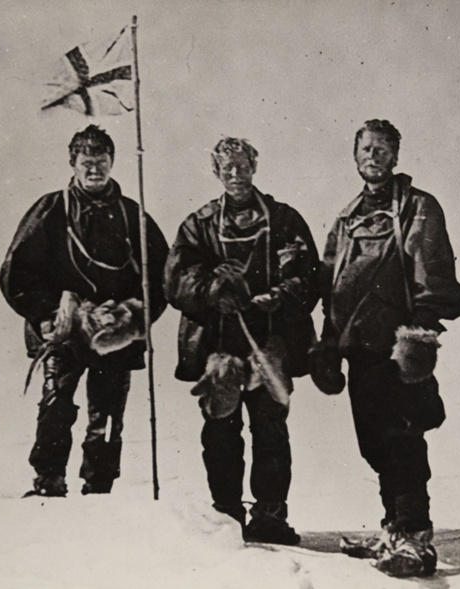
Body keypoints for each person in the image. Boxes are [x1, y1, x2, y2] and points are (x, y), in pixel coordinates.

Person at [312, 119, 460, 576]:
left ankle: (416, 539)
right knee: (374, 443)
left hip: (396, 349)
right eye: (366, 149)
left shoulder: (417, 207)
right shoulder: (347, 217)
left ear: (396, 156)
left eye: (382, 149)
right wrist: (328, 341)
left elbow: (432, 268)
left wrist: (419, 334)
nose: (373, 156)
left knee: (403, 438)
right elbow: (332, 284)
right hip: (357, 346)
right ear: (355, 156)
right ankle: (392, 530)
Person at [164, 137, 320, 545]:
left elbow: (309, 275)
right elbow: (175, 278)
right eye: (226, 168)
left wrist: (280, 296)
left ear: (255, 166)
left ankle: (270, 515)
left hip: (269, 343)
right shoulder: (198, 225)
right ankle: (227, 515)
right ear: (216, 173)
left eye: (242, 166)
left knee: (270, 429)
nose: (235, 175)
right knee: (219, 432)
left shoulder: (284, 220)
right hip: (219, 346)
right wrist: (212, 289)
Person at [0, 125, 169, 497]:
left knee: (107, 413)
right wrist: (49, 310)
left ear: (112, 163)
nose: (95, 170)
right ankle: (49, 479)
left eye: (102, 162)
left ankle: (99, 484)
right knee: (56, 401)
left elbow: (162, 276)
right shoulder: (51, 210)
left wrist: (133, 316)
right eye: (87, 162)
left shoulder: (131, 215)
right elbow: (16, 274)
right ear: (73, 163)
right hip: (63, 329)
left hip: (113, 333)